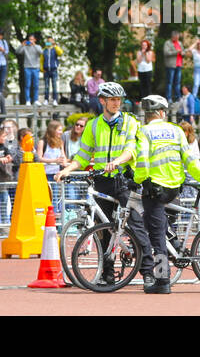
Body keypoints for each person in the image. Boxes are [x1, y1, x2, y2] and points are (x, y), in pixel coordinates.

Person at [55, 82, 152, 283]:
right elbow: (83, 156)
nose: (117, 103)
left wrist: (116, 162)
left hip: (124, 181)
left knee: (135, 225)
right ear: (102, 101)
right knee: (104, 229)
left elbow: (131, 149)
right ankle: (107, 274)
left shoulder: (130, 122)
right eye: (113, 100)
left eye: (119, 99)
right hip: (102, 182)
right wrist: (67, 169)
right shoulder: (93, 125)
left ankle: (149, 272)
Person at [132, 95, 200, 294]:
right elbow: (190, 159)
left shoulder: (144, 132)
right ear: (162, 113)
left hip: (155, 189)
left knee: (157, 237)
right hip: (174, 188)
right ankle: (176, 244)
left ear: (147, 114)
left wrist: (138, 179)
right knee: (163, 227)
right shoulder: (176, 130)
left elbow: (142, 160)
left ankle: (162, 280)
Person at [18, 32, 42, 106]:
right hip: (27, 67)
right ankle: (28, 100)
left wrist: (34, 45)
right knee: (27, 85)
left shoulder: (38, 46)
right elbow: (18, 52)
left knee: (36, 85)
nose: (30, 41)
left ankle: (36, 100)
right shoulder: (25, 47)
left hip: (35, 68)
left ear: (35, 40)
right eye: (29, 39)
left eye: (32, 39)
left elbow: (41, 52)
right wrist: (22, 45)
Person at [162, 32, 185, 102]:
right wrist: (176, 52)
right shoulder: (167, 43)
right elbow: (166, 53)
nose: (177, 39)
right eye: (176, 37)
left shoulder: (180, 43)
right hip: (171, 65)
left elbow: (183, 52)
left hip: (179, 65)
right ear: (173, 37)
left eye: (178, 38)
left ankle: (178, 97)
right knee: (169, 82)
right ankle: (168, 98)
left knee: (177, 83)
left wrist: (182, 53)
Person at [41, 37, 62, 105]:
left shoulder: (55, 49)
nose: (49, 42)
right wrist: (41, 69)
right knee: (46, 86)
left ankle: (55, 99)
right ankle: (46, 99)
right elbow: (41, 60)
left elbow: (60, 53)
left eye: (51, 41)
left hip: (53, 69)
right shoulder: (44, 50)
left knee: (54, 85)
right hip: (46, 70)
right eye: (48, 41)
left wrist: (55, 45)